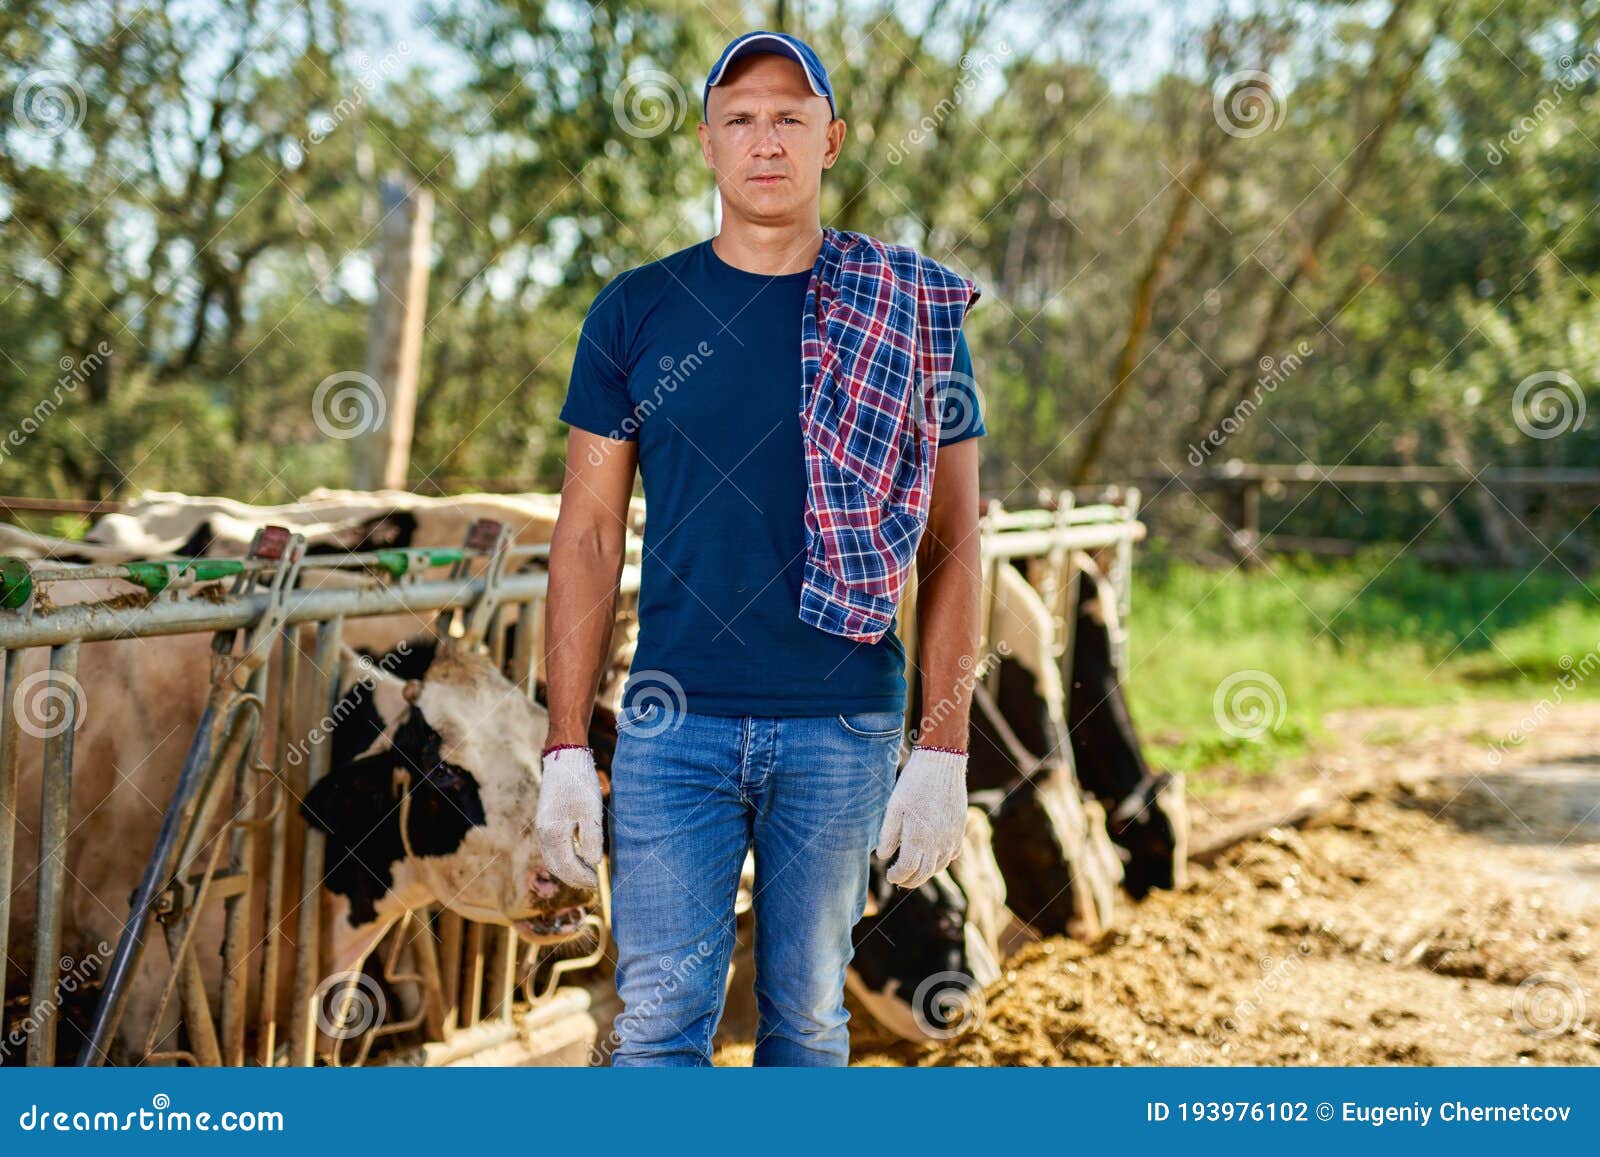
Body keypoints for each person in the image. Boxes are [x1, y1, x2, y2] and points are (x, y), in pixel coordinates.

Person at [535, 29, 985, 1067]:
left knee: (808, 1020)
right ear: (705, 145)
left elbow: (957, 539)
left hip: (843, 723)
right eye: (739, 118)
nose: (764, 140)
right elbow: (589, 532)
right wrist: (565, 747)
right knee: (656, 1023)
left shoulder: (913, 311)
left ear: (831, 140)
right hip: (671, 727)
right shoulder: (635, 312)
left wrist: (944, 746)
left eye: (789, 117)